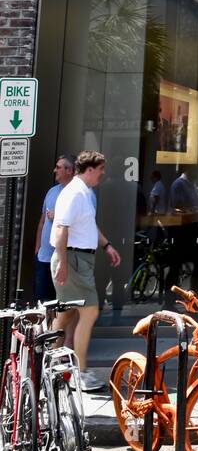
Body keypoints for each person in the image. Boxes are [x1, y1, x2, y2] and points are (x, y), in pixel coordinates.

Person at [50, 150, 121, 391]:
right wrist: (61, 261)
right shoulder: (76, 193)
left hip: (76, 259)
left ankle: (50, 364)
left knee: (66, 314)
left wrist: (107, 246)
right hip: (73, 259)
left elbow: (88, 226)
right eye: (100, 169)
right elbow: (60, 228)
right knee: (89, 311)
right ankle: (79, 373)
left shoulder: (83, 192)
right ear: (89, 169)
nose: (102, 174)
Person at [33, 154, 75, 303]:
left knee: (62, 304)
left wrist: (57, 217)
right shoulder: (52, 191)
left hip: (63, 259)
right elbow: (42, 221)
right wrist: (37, 249)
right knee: (42, 302)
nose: (54, 170)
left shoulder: (78, 193)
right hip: (43, 257)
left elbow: (81, 224)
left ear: (69, 171)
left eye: (58, 167)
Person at [164, 169, 198, 303]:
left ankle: (192, 296)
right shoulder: (179, 184)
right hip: (180, 231)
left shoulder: (190, 185)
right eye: (197, 171)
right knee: (176, 266)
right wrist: (193, 210)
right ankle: (170, 298)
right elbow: (178, 206)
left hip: (189, 229)